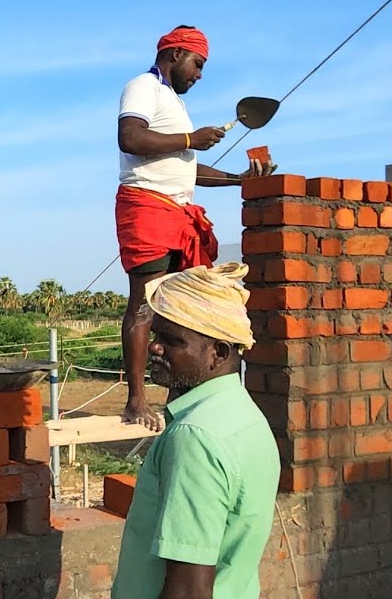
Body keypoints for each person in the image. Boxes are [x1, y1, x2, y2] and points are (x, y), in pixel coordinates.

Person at [115, 25, 275, 430]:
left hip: (177, 209)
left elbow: (186, 169)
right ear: (175, 54)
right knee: (145, 301)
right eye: (198, 64)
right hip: (149, 207)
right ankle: (136, 401)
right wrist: (190, 136)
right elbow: (131, 138)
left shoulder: (172, 102)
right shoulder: (143, 87)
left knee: (178, 309)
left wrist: (240, 179)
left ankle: (179, 393)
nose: (199, 74)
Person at [111, 263, 280, 599]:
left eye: (172, 340)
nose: (155, 348)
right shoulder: (244, 415)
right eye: (157, 335)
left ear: (218, 353)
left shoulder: (195, 436)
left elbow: (188, 591)